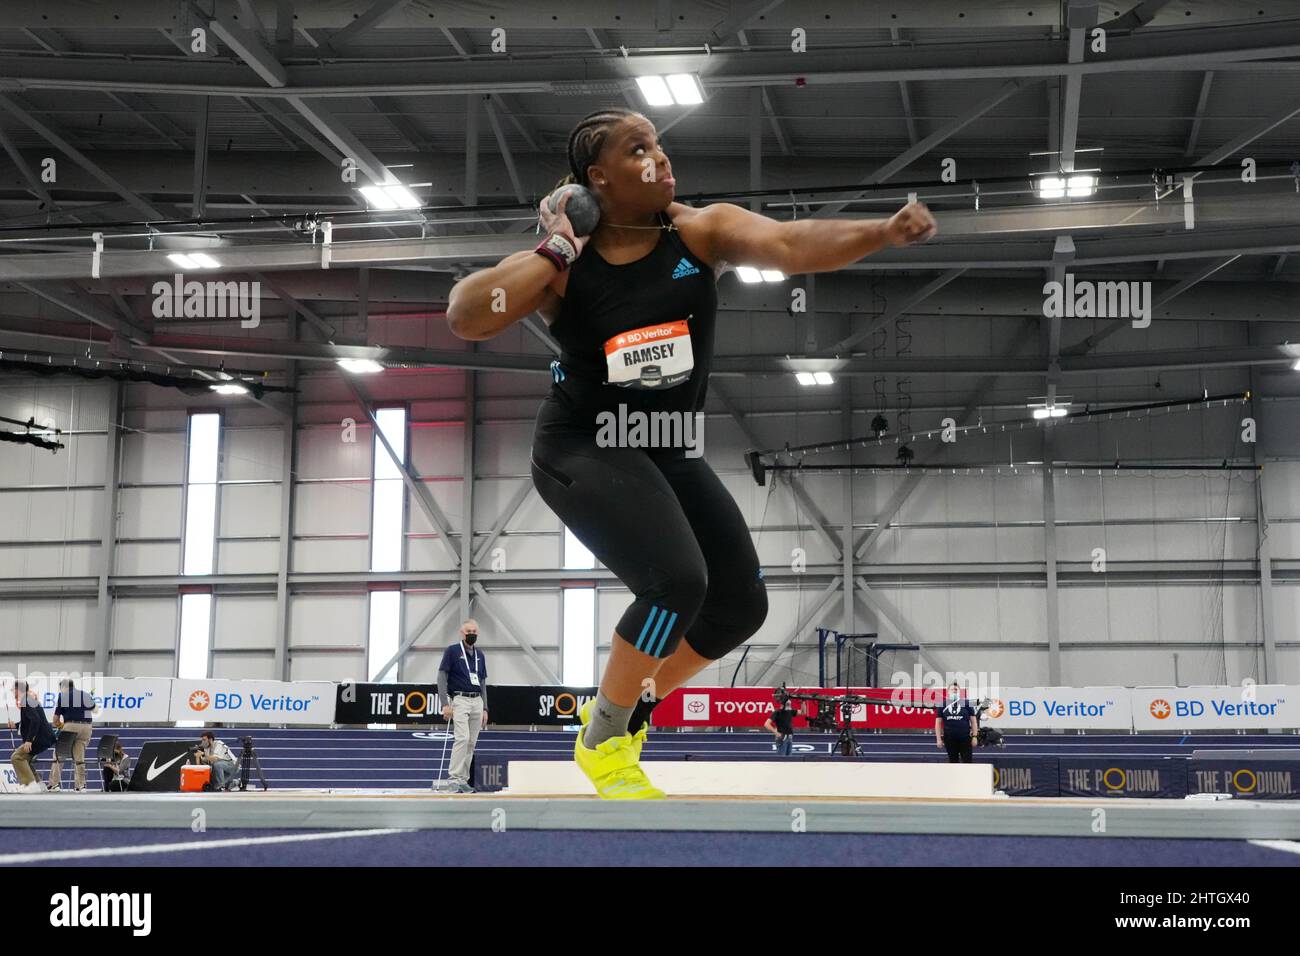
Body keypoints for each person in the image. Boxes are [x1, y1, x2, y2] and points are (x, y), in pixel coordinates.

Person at [447, 107, 936, 800]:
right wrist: (558, 249)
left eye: (660, 144)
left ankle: (627, 704)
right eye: (639, 149)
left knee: (739, 604)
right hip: (583, 445)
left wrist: (881, 233)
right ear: (598, 179)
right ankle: (605, 742)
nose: (661, 158)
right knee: (677, 580)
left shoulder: (700, 231)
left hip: (667, 448)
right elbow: (469, 315)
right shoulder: (563, 269)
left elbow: (792, 244)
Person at [437, 619, 489, 794]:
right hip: (460, 699)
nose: (472, 634)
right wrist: (445, 703)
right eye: (469, 631)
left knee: (471, 743)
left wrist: (485, 708)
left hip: (477, 701)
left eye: (474, 631)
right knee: (462, 738)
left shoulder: (480, 655)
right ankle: (453, 779)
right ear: (462, 632)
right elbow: (442, 677)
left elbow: (482, 683)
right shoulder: (452, 651)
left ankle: (463, 780)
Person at [8, 681, 56, 793]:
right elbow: (30, 720)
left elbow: (35, 720)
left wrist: (29, 740)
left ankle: (29, 784)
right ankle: (39, 784)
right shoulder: (29, 700)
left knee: (16, 757)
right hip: (45, 738)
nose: (12, 692)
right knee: (25, 758)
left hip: (39, 738)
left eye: (12, 689)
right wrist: (15, 725)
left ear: (17, 690)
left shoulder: (26, 701)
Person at [48, 678, 95, 792]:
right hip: (87, 727)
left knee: (59, 754)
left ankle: (54, 784)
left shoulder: (63, 696)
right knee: (80, 757)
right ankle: (81, 786)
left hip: (71, 726)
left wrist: (60, 726)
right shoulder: (85, 694)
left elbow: (55, 719)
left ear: (63, 687)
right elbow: (93, 708)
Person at [935, 682, 978, 764]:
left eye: (956, 689)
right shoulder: (943, 704)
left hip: (965, 738)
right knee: (953, 762)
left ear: (959, 691)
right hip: (949, 739)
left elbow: (973, 722)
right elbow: (938, 723)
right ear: (948, 691)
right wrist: (938, 739)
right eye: (952, 689)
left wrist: (975, 736)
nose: (954, 691)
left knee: (967, 762)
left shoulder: (966, 703)